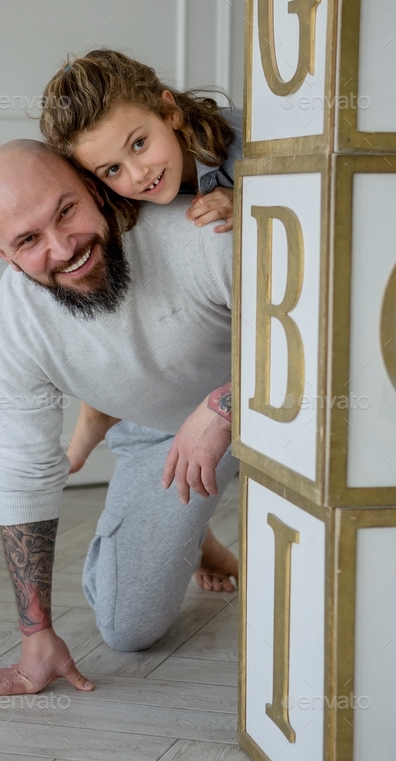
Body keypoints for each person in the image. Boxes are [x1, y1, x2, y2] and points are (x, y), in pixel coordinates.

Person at [0, 139, 238, 698]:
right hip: (162, 428)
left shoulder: (200, 231)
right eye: (29, 241)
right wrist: (36, 634)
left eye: (65, 211)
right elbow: (24, 469)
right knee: (128, 628)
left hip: (272, 400)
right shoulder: (13, 323)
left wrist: (226, 404)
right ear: (3, 256)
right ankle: (194, 533)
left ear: (92, 189)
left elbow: (320, 343)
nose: (64, 247)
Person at [39, 50, 243, 474]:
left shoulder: (247, 145)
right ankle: (98, 405)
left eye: (139, 143)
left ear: (169, 111)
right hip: (185, 349)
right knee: (101, 253)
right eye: (112, 169)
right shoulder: (124, 194)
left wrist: (254, 204)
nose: (137, 174)